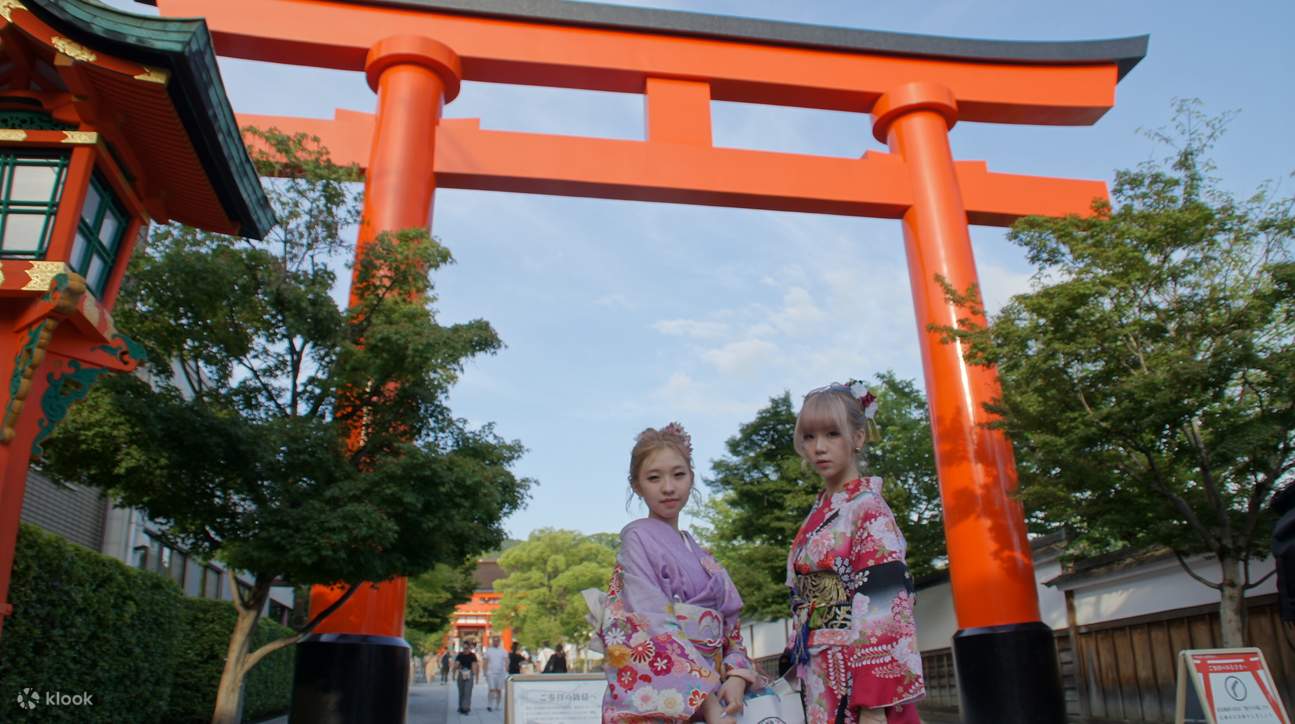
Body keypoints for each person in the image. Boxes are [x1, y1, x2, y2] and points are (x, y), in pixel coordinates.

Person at [586, 423, 757, 723]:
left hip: (717, 691)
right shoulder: (637, 538)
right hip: (669, 695)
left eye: (679, 475)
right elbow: (648, 623)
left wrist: (737, 676)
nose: (668, 487)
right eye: (654, 478)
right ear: (636, 485)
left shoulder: (702, 555)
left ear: (692, 478)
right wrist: (707, 702)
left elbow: (730, 628)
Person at [786, 382, 924, 724]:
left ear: (858, 437)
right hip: (818, 667)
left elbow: (885, 608)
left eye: (832, 434)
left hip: (854, 671)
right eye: (809, 437)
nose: (819, 447)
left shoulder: (868, 509)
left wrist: (873, 706)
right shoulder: (821, 510)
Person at [483, 635, 509, 712]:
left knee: (499, 690)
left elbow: (506, 660)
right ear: (492, 641)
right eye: (494, 640)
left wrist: (506, 669)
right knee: (491, 689)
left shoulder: (503, 651)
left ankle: (497, 705)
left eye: (497, 640)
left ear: (499, 642)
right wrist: (485, 671)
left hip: (501, 673)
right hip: (491, 672)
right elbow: (485, 661)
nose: (496, 642)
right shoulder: (489, 650)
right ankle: (489, 705)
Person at [454, 641, 481, 714]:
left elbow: (475, 666)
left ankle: (466, 708)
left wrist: (476, 677)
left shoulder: (472, 655)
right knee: (461, 692)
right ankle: (460, 707)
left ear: (469, 648)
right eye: (464, 648)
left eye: (466, 648)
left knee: (467, 692)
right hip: (461, 674)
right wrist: (456, 668)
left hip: (469, 674)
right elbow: (456, 665)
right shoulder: (460, 655)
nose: (465, 650)